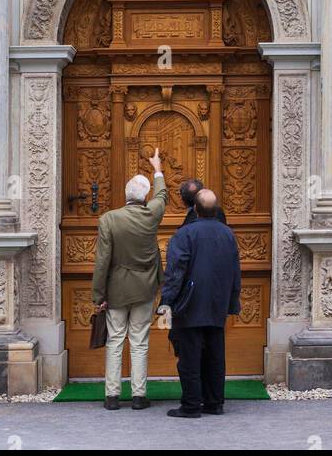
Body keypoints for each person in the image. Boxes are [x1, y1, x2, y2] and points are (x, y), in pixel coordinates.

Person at [91, 147, 167, 411]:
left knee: (114, 341)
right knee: (139, 341)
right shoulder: (152, 214)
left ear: (126, 196)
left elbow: (102, 262)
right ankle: (138, 396)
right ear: (144, 197)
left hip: (116, 290)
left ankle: (111, 397)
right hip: (145, 289)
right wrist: (157, 169)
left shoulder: (109, 220)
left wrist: (98, 296)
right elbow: (162, 195)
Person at [159, 188, 241, 419]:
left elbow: (175, 272)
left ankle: (192, 404)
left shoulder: (184, 235)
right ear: (215, 210)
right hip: (217, 304)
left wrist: (166, 302)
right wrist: (232, 302)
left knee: (189, 358)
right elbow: (235, 271)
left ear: (195, 209)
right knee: (215, 356)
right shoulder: (228, 234)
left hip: (189, 304)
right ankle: (214, 403)